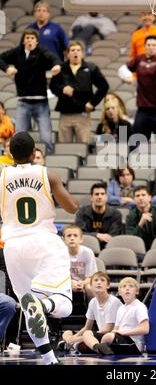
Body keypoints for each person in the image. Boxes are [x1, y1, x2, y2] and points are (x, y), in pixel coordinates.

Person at [0, 132, 79, 364]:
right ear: (35, 153)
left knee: (27, 304)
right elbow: (72, 207)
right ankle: (43, 304)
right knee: (63, 305)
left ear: (9, 154)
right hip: (43, 242)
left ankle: (49, 359)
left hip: (13, 247)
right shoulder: (48, 175)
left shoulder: (1, 177)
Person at [0, 28, 61, 154]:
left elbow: (54, 59)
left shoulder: (42, 52)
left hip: (41, 103)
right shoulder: (18, 52)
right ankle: (19, 163)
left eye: (32, 38)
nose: (29, 40)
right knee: (19, 137)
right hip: (23, 102)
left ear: (37, 41)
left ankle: (47, 160)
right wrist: (6, 69)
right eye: (27, 38)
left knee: (46, 137)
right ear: (23, 41)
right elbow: (1, 58)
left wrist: (56, 66)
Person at [50, 40, 109, 143]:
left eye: (78, 50)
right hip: (65, 114)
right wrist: (62, 89)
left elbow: (104, 86)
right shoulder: (61, 68)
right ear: (67, 54)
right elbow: (52, 86)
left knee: (83, 146)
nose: (75, 52)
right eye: (72, 50)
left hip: (83, 114)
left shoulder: (91, 68)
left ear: (82, 53)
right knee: (64, 147)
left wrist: (93, 103)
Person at [60, 271, 122, 352]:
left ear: (108, 286)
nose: (99, 282)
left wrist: (78, 339)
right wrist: (73, 338)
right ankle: (72, 344)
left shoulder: (114, 302)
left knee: (86, 336)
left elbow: (107, 330)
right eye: (96, 280)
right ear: (91, 286)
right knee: (67, 333)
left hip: (112, 336)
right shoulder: (93, 302)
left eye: (102, 280)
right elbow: (87, 327)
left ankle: (71, 345)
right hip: (99, 335)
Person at [86, 277, 149, 355]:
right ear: (119, 292)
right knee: (88, 333)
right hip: (119, 338)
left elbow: (145, 329)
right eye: (124, 286)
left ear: (136, 291)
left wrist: (124, 332)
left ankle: (98, 349)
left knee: (108, 337)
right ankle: (98, 347)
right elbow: (116, 329)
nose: (127, 289)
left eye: (131, 286)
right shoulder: (121, 308)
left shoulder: (140, 306)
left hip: (133, 343)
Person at [75, 182, 123, 248]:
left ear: (106, 197)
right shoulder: (82, 212)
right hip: (87, 246)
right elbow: (79, 233)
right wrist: (97, 235)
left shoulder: (116, 214)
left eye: (102, 194)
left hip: (108, 247)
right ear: (91, 197)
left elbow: (113, 236)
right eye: (97, 194)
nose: (99, 197)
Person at [126, 185, 156, 250]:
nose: (141, 198)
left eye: (143, 195)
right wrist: (140, 224)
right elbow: (131, 240)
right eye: (137, 196)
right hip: (139, 252)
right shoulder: (130, 216)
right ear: (134, 199)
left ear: (150, 198)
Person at [63, 224, 97, 301]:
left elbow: (91, 277)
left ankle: (93, 311)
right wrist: (71, 282)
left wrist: (82, 283)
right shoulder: (60, 253)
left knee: (90, 288)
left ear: (81, 239)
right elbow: (59, 276)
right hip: (67, 282)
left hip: (85, 282)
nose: (72, 238)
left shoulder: (88, 252)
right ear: (64, 240)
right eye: (69, 236)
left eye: (75, 235)